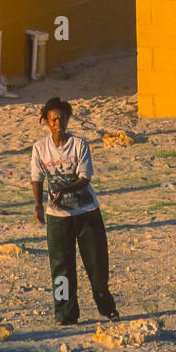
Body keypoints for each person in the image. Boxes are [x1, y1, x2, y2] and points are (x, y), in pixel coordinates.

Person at [30, 96, 119, 326]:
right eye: (54, 119)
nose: (58, 122)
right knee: (61, 269)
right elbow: (37, 178)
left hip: (87, 213)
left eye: (62, 118)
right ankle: (65, 314)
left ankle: (107, 308)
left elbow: (84, 178)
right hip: (58, 218)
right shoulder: (40, 148)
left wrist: (63, 191)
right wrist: (39, 204)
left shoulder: (80, 145)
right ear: (47, 122)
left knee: (97, 265)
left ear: (68, 119)